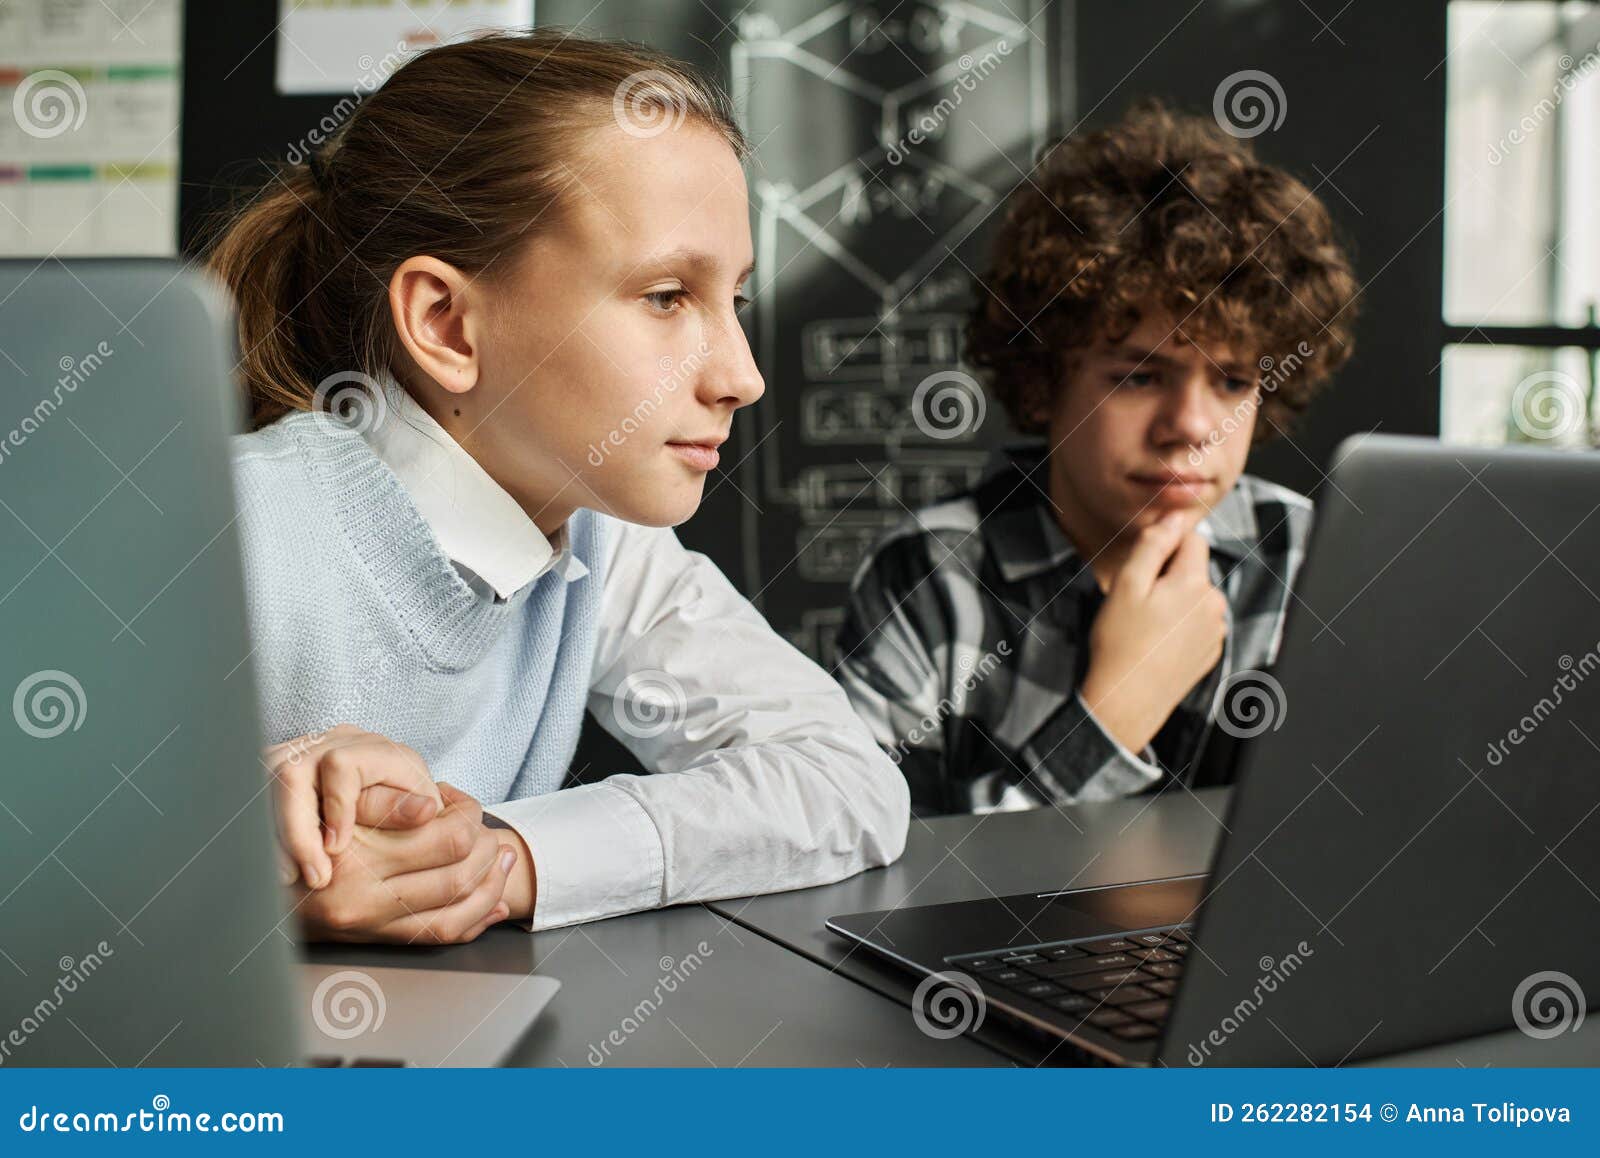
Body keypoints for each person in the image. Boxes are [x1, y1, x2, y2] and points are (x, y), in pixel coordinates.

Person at [206, 30, 908, 941]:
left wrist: (495, 861)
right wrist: (225, 848)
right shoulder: (223, 530)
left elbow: (844, 779)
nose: (741, 375)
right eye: (665, 297)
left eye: (731, 299)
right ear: (447, 325)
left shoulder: (601, 540)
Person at [835, 102, 1360, 816]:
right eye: (1140, 377)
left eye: (1232, 380)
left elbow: (1359, 839)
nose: (1192, 426)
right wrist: (1111, 717)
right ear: (1043, 379)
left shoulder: (1311, 559)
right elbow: (885, 886)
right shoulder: (926, 575)